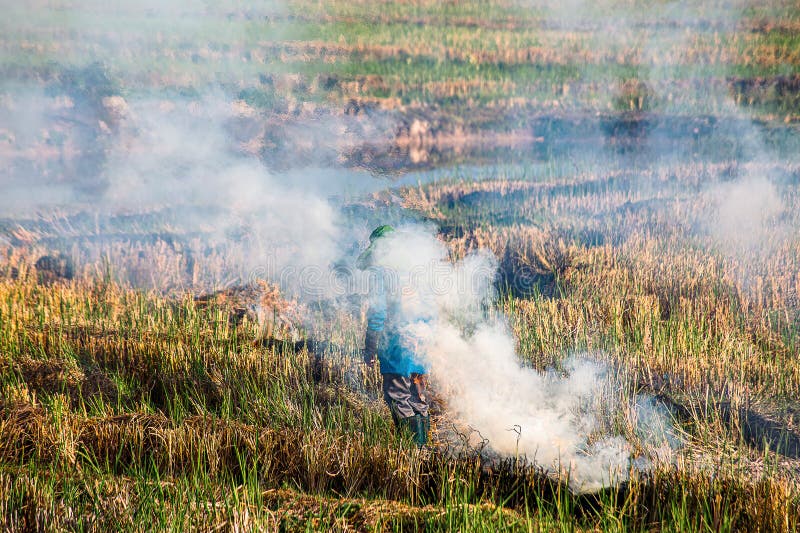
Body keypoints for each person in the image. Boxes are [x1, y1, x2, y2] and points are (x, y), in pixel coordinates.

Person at [357, 225, 431, 446]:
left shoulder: (380, 273)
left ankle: (411, 454)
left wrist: (370, 348)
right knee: (418, 397)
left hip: (396, 346)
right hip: (421, 343)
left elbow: (378, 312)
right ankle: (424, 451)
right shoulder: (414, 269)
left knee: (398, 397)